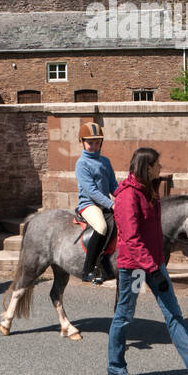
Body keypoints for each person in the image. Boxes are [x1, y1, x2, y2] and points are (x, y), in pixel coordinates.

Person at [106, 147, 188, 375]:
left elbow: (154, 232)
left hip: (154, 264)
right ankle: (115, 368)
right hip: (135, 269)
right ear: (146, 167)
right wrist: (153, 269)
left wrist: (160, 264)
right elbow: (131, 239)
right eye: (157, 165)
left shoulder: (149, 191)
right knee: (124, 316)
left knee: (174, 316)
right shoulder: (128, 196)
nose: (161, 168)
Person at [76, 121, 117, 284]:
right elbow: (91, 190)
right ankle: (88, 269)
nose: (94, 146)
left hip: (105, 203)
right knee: (101, 227)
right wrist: (111, 204)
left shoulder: (105, 161)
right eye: (90, 143)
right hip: (88, 204)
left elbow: (113, 185)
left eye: (97, 143)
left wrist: (123, 197)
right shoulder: (81, 163)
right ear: (82, 142)